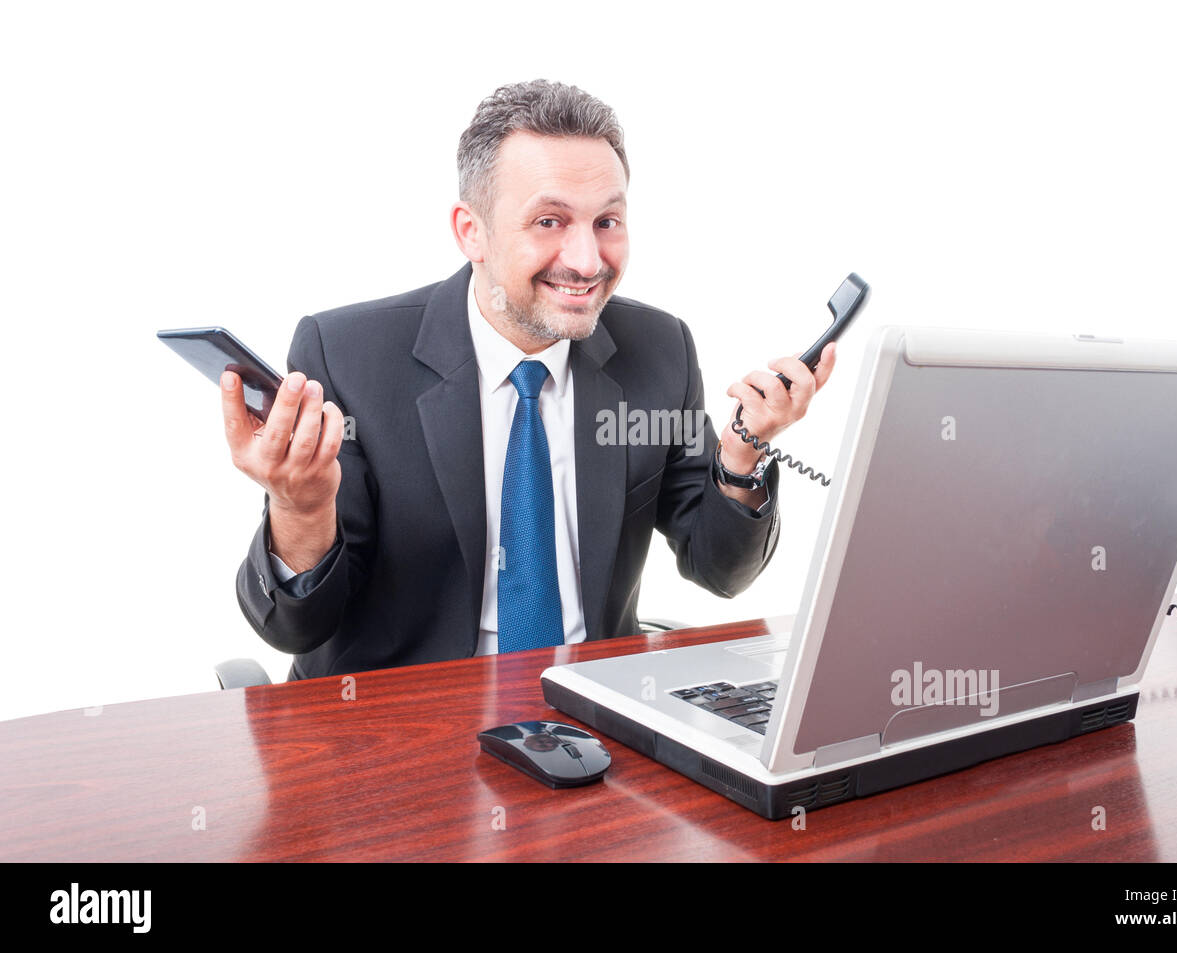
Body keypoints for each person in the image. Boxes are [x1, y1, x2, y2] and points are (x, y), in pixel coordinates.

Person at [223, 80, 836, 680]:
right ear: (472, 231)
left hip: (593, 702)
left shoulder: (659, 349)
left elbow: (720, 572)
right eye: (549, 221)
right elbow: (298, 629)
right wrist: (300, 508)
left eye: (607, 221)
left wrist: (741, 454)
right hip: (405, 714)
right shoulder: (347, 354)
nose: (587, 262)